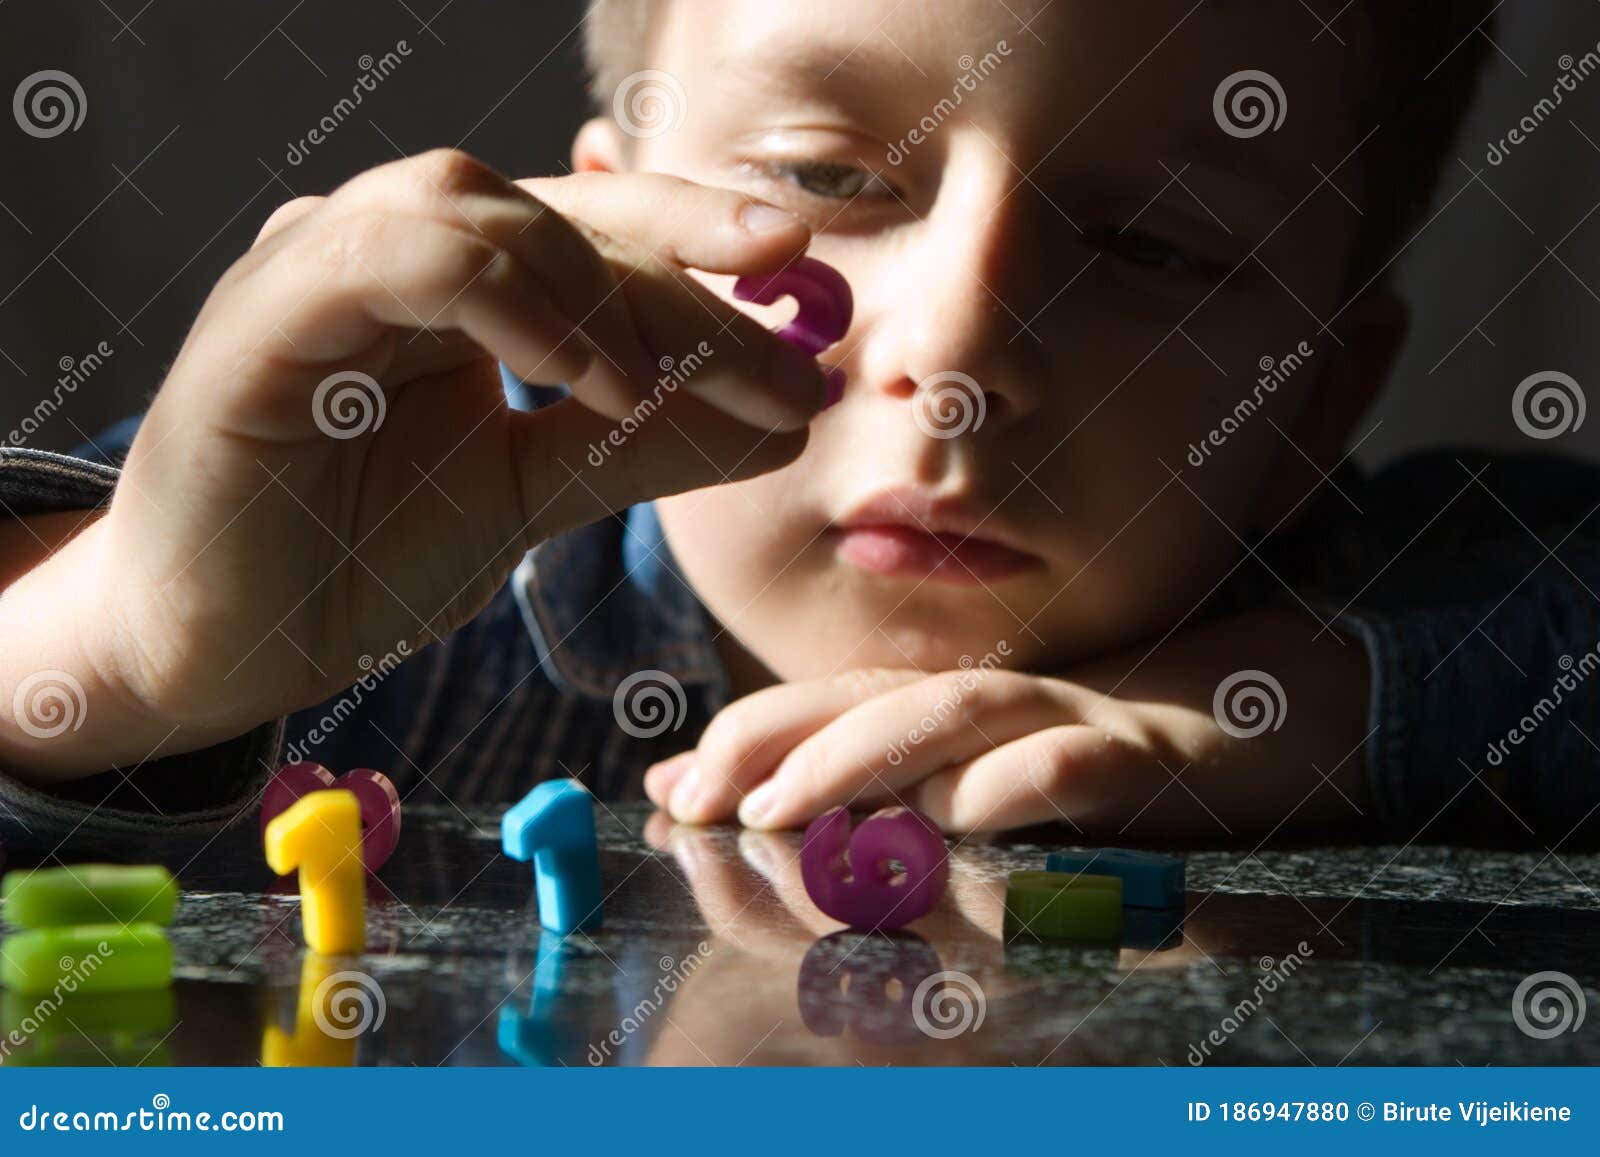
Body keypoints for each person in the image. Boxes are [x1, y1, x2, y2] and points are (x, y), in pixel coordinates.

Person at [2, 0, 1592, 854]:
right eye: (827, 180)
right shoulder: (371, 518)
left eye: (1153, 247)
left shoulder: (1385, 609)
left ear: (1316, 401)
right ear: (600, 245)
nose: (958, 351)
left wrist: (1306, 711)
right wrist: (122, 649)